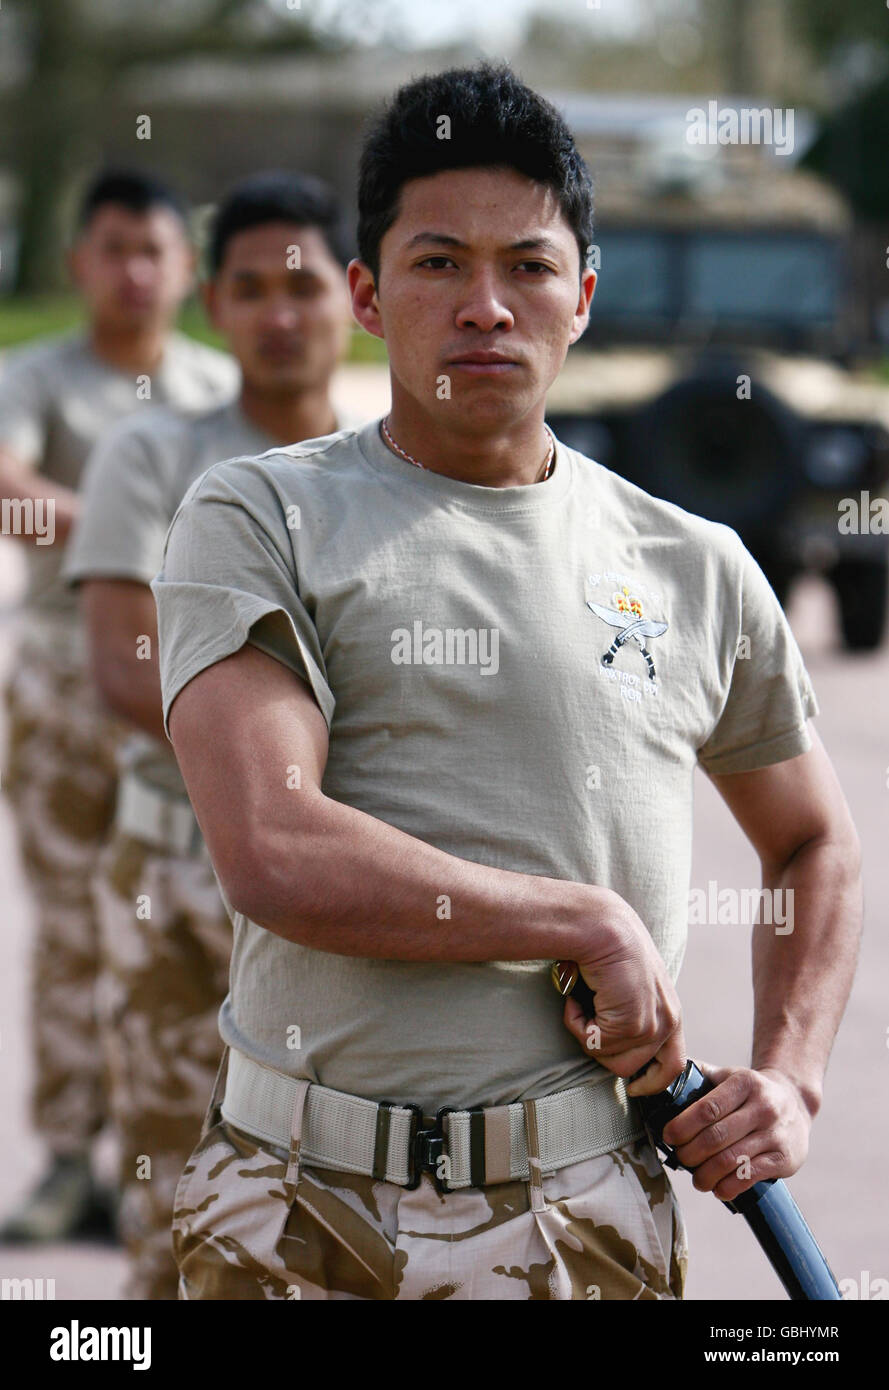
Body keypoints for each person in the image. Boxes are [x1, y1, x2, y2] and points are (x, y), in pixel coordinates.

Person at [151, 64, 862, 1300]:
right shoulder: (259, 514)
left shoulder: (694, 566)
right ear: (368, 294)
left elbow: (813, 841)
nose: (486, 305)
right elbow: (272, 842)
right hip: (294, 1214)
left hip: (581, 1225)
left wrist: (788, 1082)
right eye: (438, 263)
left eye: (527, 266)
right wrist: (579, 921)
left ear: (582, 297)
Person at [62, 171, 356, 1298]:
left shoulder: (391, 462)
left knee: (332, 1196)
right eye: (249, 288)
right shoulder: (153, 456)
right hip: (182, 886)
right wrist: (306, 771)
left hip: (342, 887)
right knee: (178, 1193)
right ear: (214, 308)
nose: (280, 315)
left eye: (304, 284)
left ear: (355, 294)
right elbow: (126, 663)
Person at [0, 169, 238, 1243]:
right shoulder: (40, 378)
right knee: (69, 927)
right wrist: (128, 526)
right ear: (78, 265)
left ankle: (185, 1154)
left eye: (155, 250)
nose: (135, 272)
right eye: (113, 249)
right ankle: (66, 1157)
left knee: (192, 915)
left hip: (185, 688)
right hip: (62, 684)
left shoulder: (215, 390)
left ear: (188, 270)